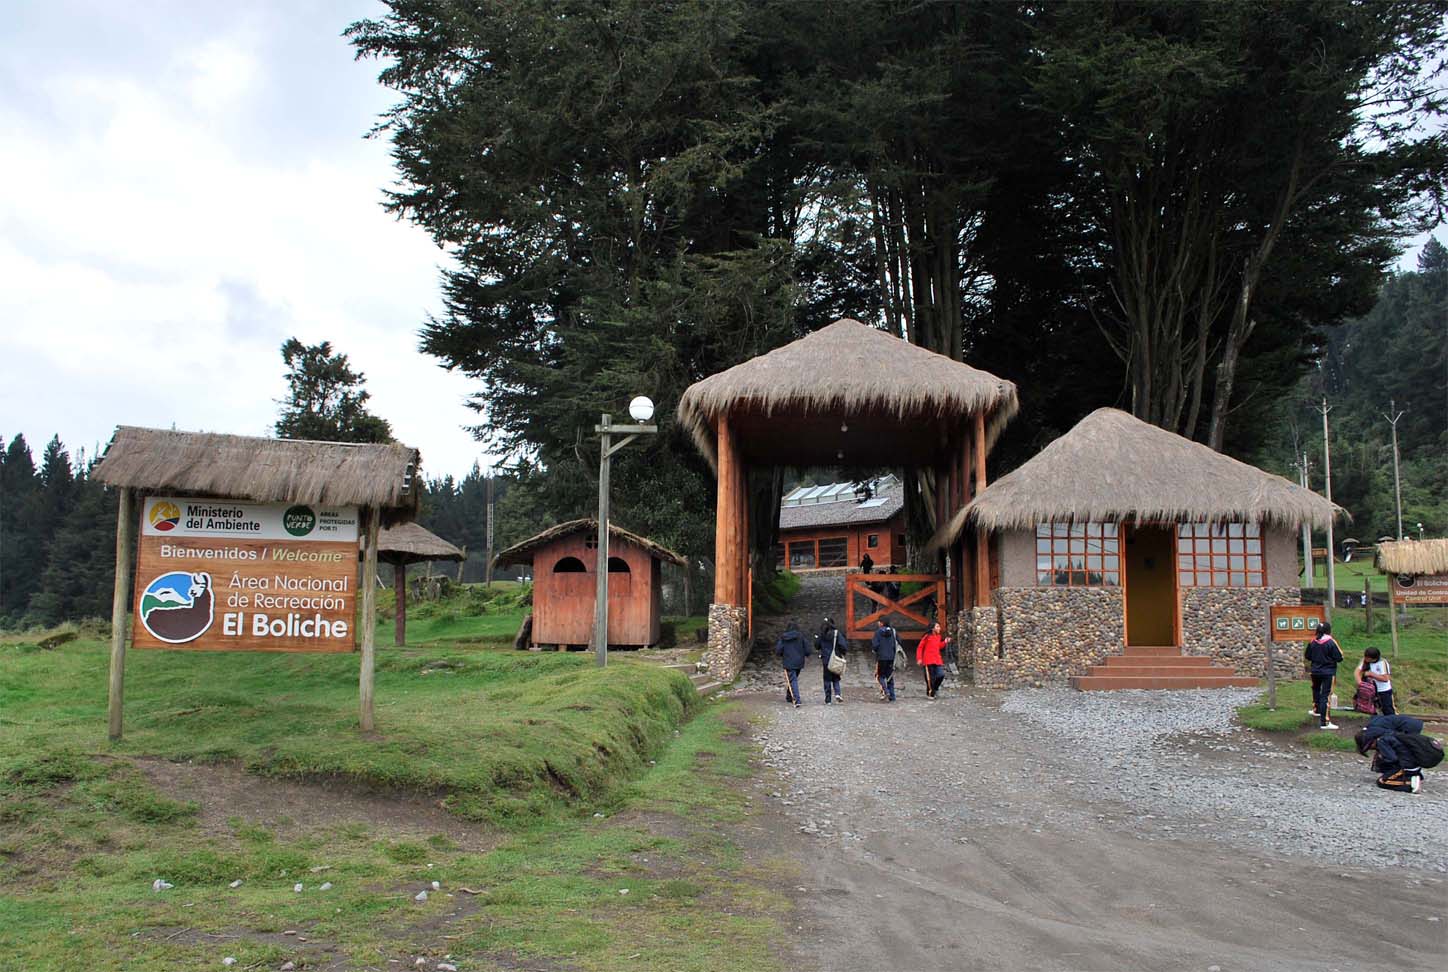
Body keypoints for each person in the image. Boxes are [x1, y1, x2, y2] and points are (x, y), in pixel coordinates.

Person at [1355, 715, 1441, 794]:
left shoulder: (1382, 739)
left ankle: (1410, 783)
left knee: (1382, 781)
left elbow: (1392, 759)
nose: (1373, 749)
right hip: (1413, 764)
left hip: (1407, 763)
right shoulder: (1389, 735)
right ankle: (1413, 775)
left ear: (1371, 740)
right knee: (1404, 751)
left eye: (1371, 747)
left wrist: (1383, 757)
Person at [1304, 622, 1343, 729]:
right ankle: (1325, 722)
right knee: (1326, 695)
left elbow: (1307, 656)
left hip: (1315, 671)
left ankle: (1316, 710)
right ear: (1329, 630)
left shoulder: (1313, 641)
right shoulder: (1330, 642)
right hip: (1328, 672)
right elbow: (1339, 657)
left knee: (1315, 690)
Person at [774, 620, 810, 709]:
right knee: (793, 679)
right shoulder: (801, 637)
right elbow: (808, 649)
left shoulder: (784, 638)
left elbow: (778, 650)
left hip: (788, 661)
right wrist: (806, 654)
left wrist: (781, 654)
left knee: (793, 680)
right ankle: (789, 696)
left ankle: (797, 700)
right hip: (799, 662)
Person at [1354, 646, 1395, 715]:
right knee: (1370, 710)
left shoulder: (1383, 663)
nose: (1365, 659)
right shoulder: (1364, 661)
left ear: (1373, 658)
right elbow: (1357, 672)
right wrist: (1360, 684)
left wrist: (1372, 674)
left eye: (1367, 658)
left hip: (1383, 691)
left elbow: (1386, 678)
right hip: (1369, 690)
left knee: (1387, 711)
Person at [816, 616, 846, 704]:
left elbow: (817, 646)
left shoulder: (822, 634)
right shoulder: (836, 633)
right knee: (836, 677)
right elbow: (843, 645)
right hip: (835, 658)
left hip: (825, 659)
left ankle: (828, 699)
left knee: (827, 679)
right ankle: (837, 693)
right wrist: (842, 653)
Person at [916, 622, 949, 699]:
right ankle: (930, 693)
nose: (939, 628)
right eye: (937, 627)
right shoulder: (927, 637)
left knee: (941, 675)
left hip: (937, 660)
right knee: (930, 678)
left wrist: (945, 642)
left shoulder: (938, 636)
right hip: (928, 660)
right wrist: (919, 658)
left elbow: (938, 646)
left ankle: (935, 688)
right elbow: (920, 647)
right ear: (932, 628)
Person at [871, 619, 898, 702]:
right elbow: (898, 641)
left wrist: (875, 650)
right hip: (891, 657)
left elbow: (875, 645)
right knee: (890, 676)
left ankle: (886, 691)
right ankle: (892, 697)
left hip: (881, 657)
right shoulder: (893, 631)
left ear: (882, 623)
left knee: (880, 676)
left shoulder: (878, 632)